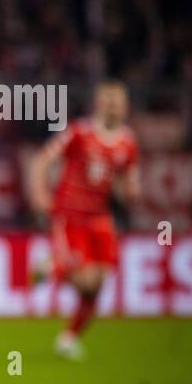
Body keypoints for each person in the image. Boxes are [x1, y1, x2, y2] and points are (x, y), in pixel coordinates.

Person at [28, 80, 141, 360]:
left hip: (100, 218)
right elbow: (42, 160)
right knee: (86, 280)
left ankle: (68, 338)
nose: (114, 106)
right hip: (71, 216)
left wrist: (131, 191)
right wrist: (40, 194)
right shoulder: (79, 132)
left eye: (118, 101)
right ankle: (53, 266)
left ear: (125, 106)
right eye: (109, 101)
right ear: (99, 104)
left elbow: (128, 178)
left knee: (98, 285)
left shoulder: (127, 141)